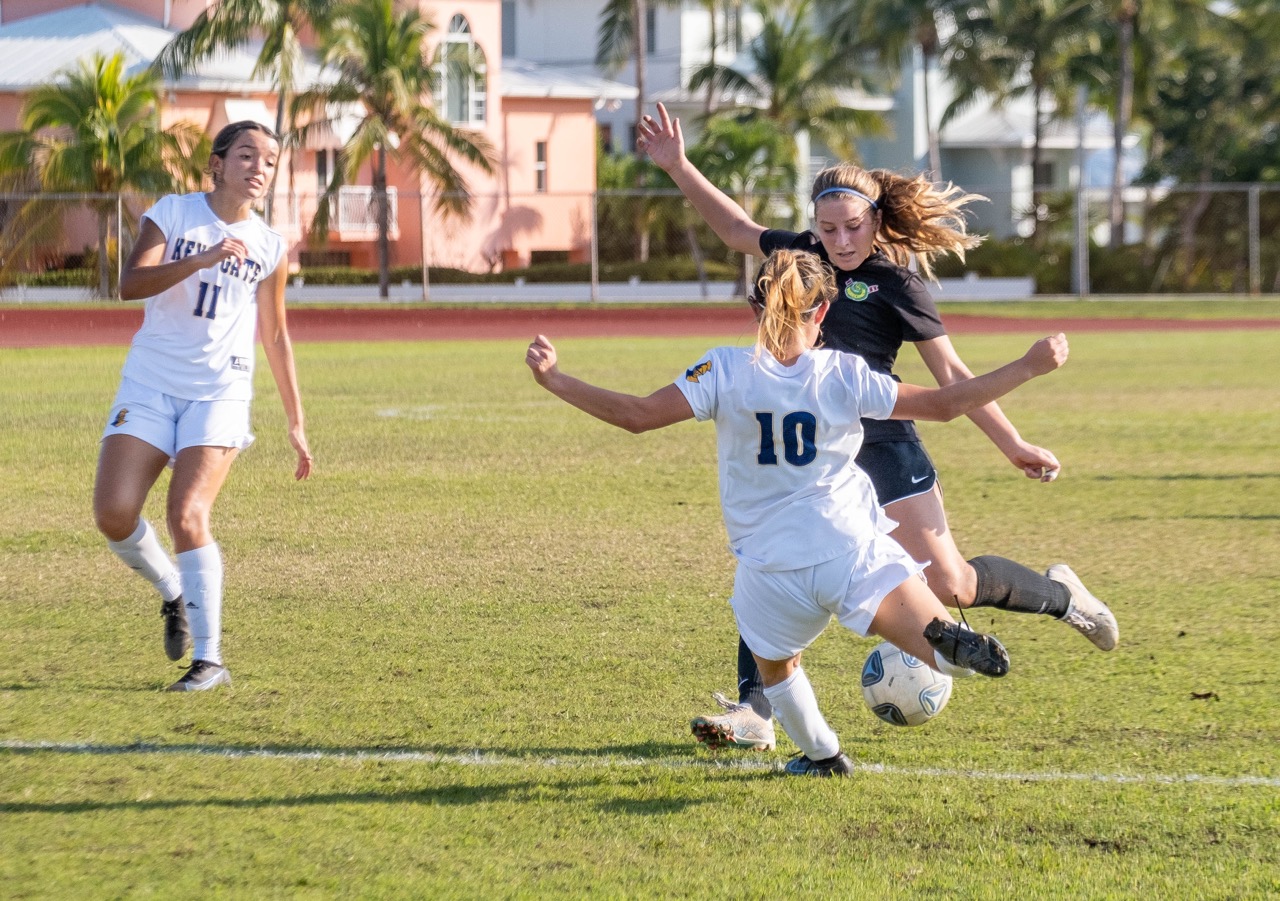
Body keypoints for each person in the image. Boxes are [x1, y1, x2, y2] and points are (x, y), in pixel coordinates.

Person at [636, 102, 1118, 753]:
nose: (838, 240)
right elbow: (736, 230)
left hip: (883, 441)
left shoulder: (898, 286)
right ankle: (755, 709)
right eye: (827, 227)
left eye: (852, 226)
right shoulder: (801, 257)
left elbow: (950, 377)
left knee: (952, 586)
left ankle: (1062, 595)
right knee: (771, 553)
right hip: (812, 445)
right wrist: (679, 165)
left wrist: (1014, 444)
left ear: (876, 221)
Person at [526, 249, 1069, 776]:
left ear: (754, 309)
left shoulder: (722, 369)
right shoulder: (842, 373)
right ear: (823, 313)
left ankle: (823, 756)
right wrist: (1028, 365)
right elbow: (946, 405)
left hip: (771, 565)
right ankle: (951, 649)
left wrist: (555, 379)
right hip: (850, 547)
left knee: (775, 669)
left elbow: (636, 415)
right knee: (933, 644)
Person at [92, 120, 313, 692]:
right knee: (113, 513)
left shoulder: (268, 245)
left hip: (220, 391)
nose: (258, 167)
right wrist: (200, 259)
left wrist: (296, 420)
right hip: (150, 382)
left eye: (268, 161)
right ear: (216, 164)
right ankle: (173, 590)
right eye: (246, 155)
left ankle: (210, 659)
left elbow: (277, 335)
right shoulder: (174, 212)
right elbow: (130, 284)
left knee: (187, 514)